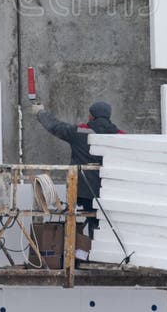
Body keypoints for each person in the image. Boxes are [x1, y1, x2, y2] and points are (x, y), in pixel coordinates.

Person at [31, 100, 124, 236]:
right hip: (110, 191)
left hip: (83, 192)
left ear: (91, 116)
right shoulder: (120, 136)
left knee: (90, 220)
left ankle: (86, 244)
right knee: (103, 225)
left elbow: (56, 126)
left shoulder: (80, 132)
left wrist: (40, 112)